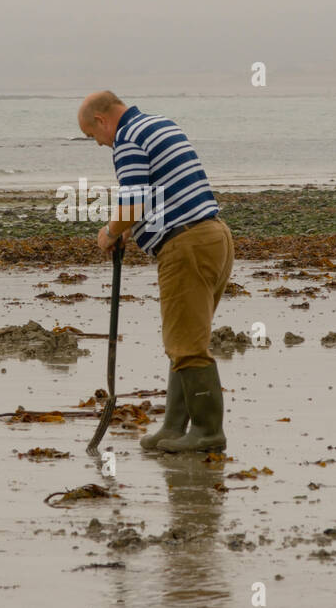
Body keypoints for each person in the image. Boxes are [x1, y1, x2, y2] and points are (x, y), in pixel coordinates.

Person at [77, 91, 234, 452]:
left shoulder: (128, 139)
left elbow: (133, 202)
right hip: (214, 235)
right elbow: (161, 193)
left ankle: (209, 433)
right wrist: (130, 229)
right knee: (184, 340)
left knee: (188, 345)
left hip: (186, 245)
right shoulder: (160, 124)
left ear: (102, 120)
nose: (99, 144)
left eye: (93, 136)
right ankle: (174, 428)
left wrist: (110, 233)